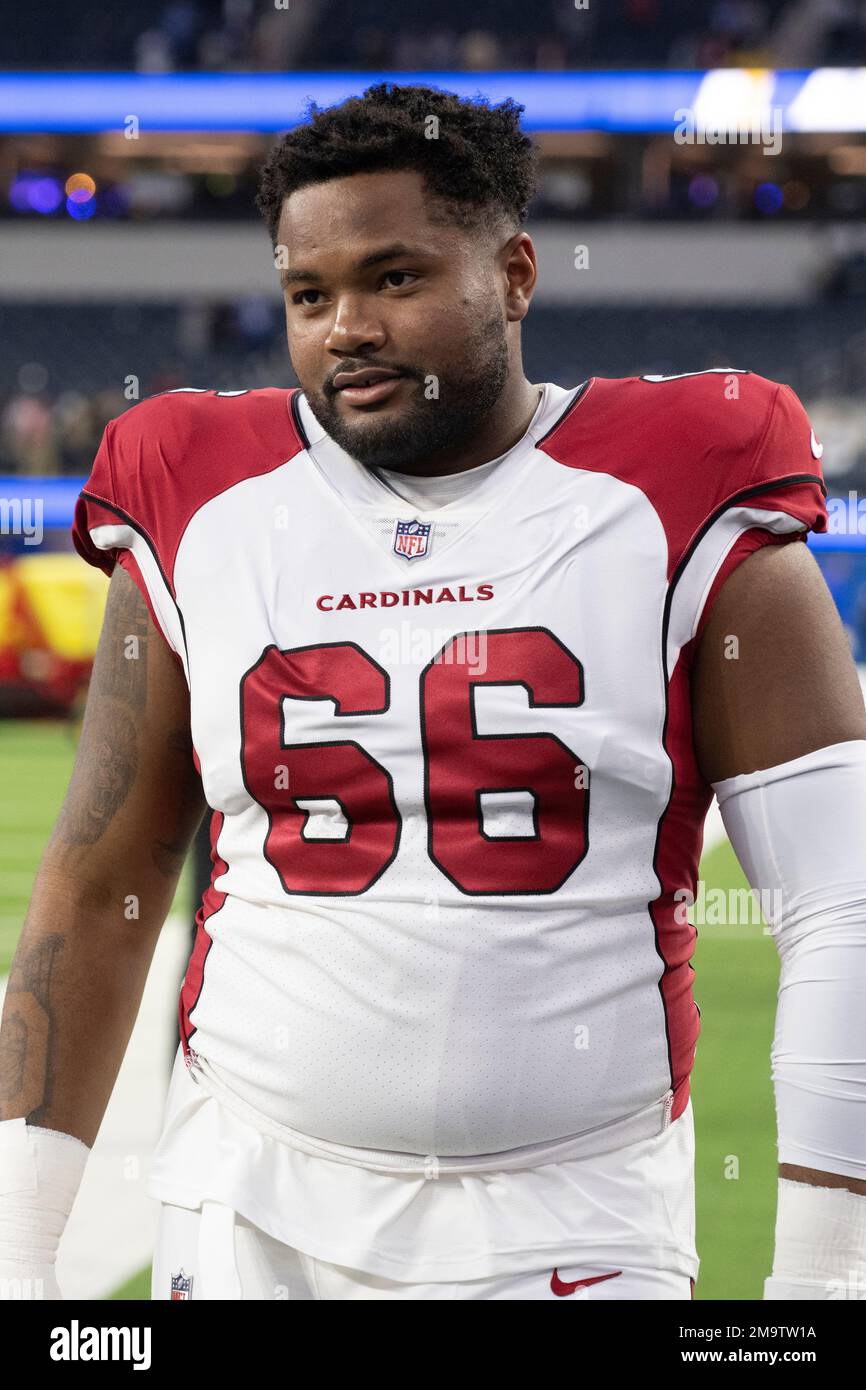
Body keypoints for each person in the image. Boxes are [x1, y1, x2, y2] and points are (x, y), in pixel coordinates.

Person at [2, 82, 865, 1302]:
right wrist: (17, 1252)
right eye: (309, 295)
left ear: (515, 272)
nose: (345, 326)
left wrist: (822, 1289)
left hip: (572, 1216)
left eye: (394, 277)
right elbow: (101, 881)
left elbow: (842, 904)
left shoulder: (675, 481)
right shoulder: (193, 487)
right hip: (246, 1205)